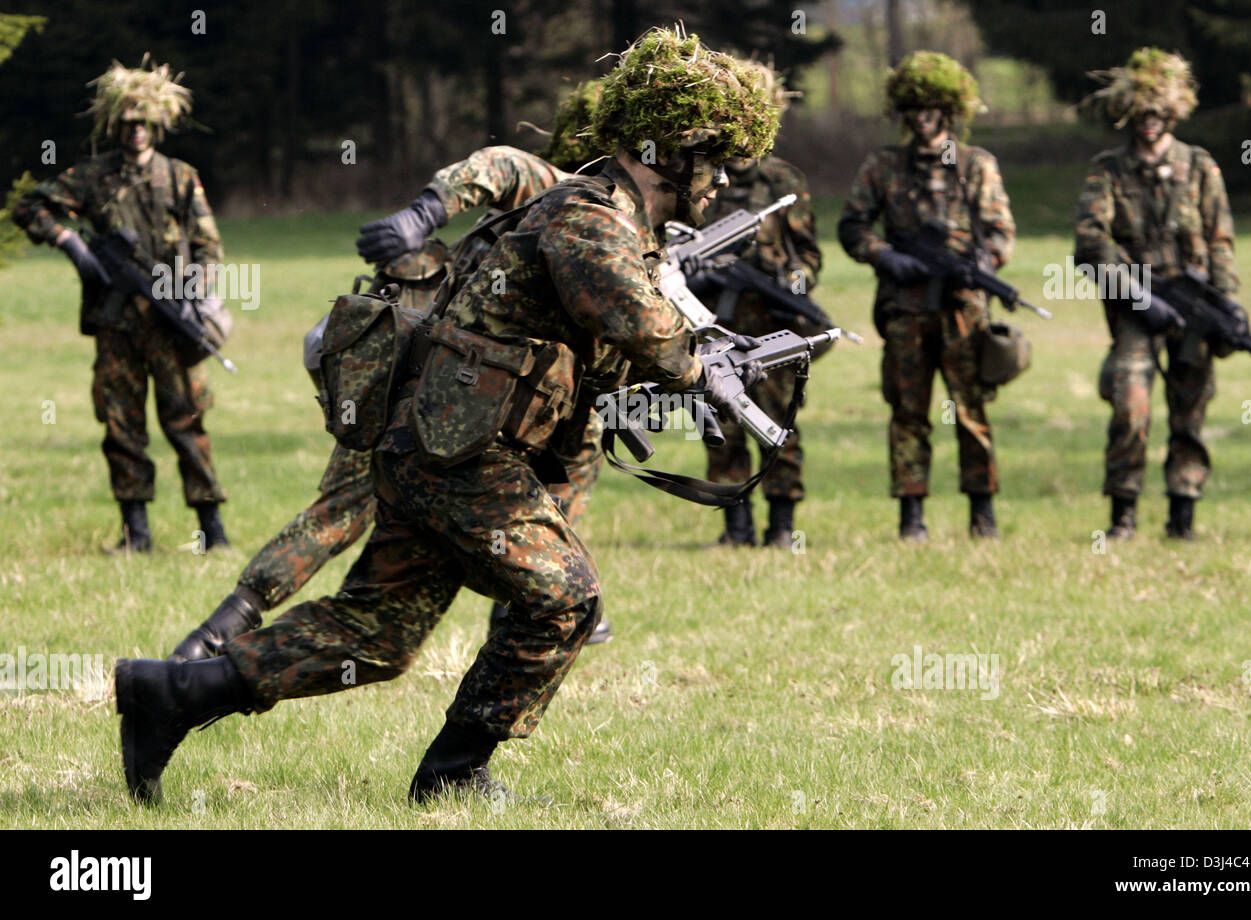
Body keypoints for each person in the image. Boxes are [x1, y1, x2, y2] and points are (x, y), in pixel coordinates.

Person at [114, 27, 778, 805]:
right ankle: (454, 773)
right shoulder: (592, 218)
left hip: (443, 447)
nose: (724, 179)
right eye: (714, 159)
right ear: (667, 150)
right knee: (566, 596)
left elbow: (612, 345)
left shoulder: (624, 225)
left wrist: (702, 365)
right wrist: (702, 368)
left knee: (378, 636)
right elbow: (640, 323)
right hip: (457, 454)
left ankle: (171, 694)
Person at [168, 88, 616, 664]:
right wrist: (423, 213)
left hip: (491, 407)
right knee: (345, 509)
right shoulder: (563, 193)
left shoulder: (614, 230)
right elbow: (498, 165)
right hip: (434, 391)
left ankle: (213, 642)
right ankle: (212, 643)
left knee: (356, 513)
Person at [11, 56, 230, 552]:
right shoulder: (93, 176)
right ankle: (137, 536)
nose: (136, 133)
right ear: (116, 125)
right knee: (121, 425)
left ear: (157, 124)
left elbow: (208, 243)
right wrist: (71, 243)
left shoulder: (179, 176)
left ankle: (213, 533)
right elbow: (30, 206)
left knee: (188, 423)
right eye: (128, 123)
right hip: (116, 325)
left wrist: (196, 289)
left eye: (144, 123)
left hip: (172, 324)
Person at [838, 51, 1016, 541]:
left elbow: (1002, 231)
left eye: (930, 109)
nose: (921, 119)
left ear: (948, 111)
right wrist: (885, 256)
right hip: (905, 309)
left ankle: (983, 514)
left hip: (962, 309)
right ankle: (911, 517)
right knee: (908, 412)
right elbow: (852, 226)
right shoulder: (884, 165)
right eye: (913, 110)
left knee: (971, 410)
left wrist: (983, 264)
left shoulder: (976, 165)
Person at [1074, 48, 1237, 540]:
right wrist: (1138, 298)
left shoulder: (1200, 167)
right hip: (1136, 309)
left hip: (1194, 308)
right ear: (1127, 114)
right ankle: (1123, 515)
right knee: (1130, 404)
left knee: (1191, 407)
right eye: (1141, 114)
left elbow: (1220, 240)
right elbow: (1089, 243)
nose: (1149, 123)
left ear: (1173, 112)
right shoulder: (1107, 170)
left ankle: (1182, 513)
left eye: (1158, 114)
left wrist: (1227, 303)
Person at [700, 63, 824, 549]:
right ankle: (736, 529)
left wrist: (790, 282)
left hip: (772, 331)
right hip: (716, 326)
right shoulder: (705, 175)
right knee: (721, 425)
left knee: (779, 427)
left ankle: (781, 527)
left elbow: (811, 258)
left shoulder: (782, 182)